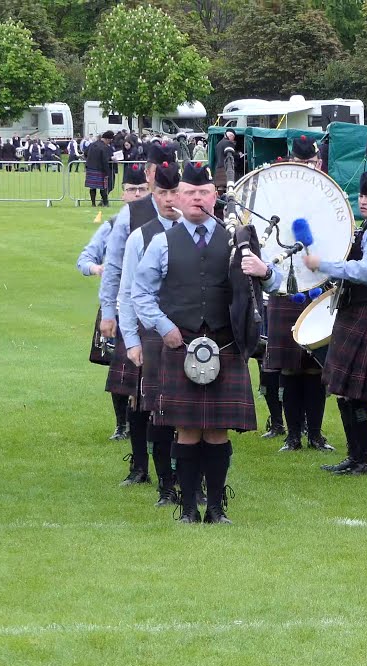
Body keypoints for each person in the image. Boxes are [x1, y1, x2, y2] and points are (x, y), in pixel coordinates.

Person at [133, 162, 283, 523]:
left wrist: (264, 271)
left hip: (226, 344)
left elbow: (274, 283)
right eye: (189, 192)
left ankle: (215, 508)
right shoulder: (162, 242)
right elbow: (141, 293)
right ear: (177, 198)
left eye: (203, 192)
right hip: (180, 344)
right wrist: (164, 327)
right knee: (186, 430)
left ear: (215, 197)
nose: (196, 198)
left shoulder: (238, 238)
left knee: (217, 431)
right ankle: (187, 508)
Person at [304, 169, 367, 474]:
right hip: (355, 309)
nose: (363, 201)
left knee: (356, 393)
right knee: (346, 391)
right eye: (361, 196)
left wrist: (325, 265)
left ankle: (365, 459)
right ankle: (355, 456)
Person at [99, 144, 170, 486]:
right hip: (138, 317)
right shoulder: (131, 214)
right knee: (137, 395)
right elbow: (114, 267)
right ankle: (139, 466)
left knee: (168, 397)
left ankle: (172, 468)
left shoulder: (185, 213)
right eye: (157, 169)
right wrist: (108, 311)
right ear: (148, 172)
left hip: (174, 316)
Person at [117, 158, 184, 505]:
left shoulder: (203, 231)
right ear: (153, 195)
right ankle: (166, 487)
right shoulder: (140, 237)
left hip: (194, 333)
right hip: (155, 334)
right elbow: (128, 292)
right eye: (163, 193)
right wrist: (131, 340)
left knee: (192, 417)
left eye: (175, 192)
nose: (170, 199)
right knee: (159, 413)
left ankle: (192, 483)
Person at [264, 136, 332, 452]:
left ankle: (315, 434)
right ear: (292, 162)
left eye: (312, 163)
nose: (308, 168)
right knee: (290, 366)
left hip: (319, 283)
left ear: (318, 162)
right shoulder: (278, 196)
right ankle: (292, 436)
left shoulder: (328, 197)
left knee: (316, 365)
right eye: (302, 163)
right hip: (286, 287)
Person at [79, 163, 150, 440]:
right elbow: (84, 259)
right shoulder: (111, 226)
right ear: (122, 194)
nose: (137, 194)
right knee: (119, 367)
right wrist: (97, 268)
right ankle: (122, 425)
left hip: (146, 305)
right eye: (132, 190)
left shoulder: (157, 225)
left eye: (142, 189)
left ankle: (146, 421)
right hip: (117, 304)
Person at [85, 131, 115, 207]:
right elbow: (105, 160)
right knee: (103, 187)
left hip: (90, 168)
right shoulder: (104, 147)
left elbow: (85, 153)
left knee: (92, 187)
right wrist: (107, 172)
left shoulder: (92, 144)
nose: (110, 142)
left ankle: (93, 204)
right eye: (110, 140)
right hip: (100, 169)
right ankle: (105, 203)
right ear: (107, 139)